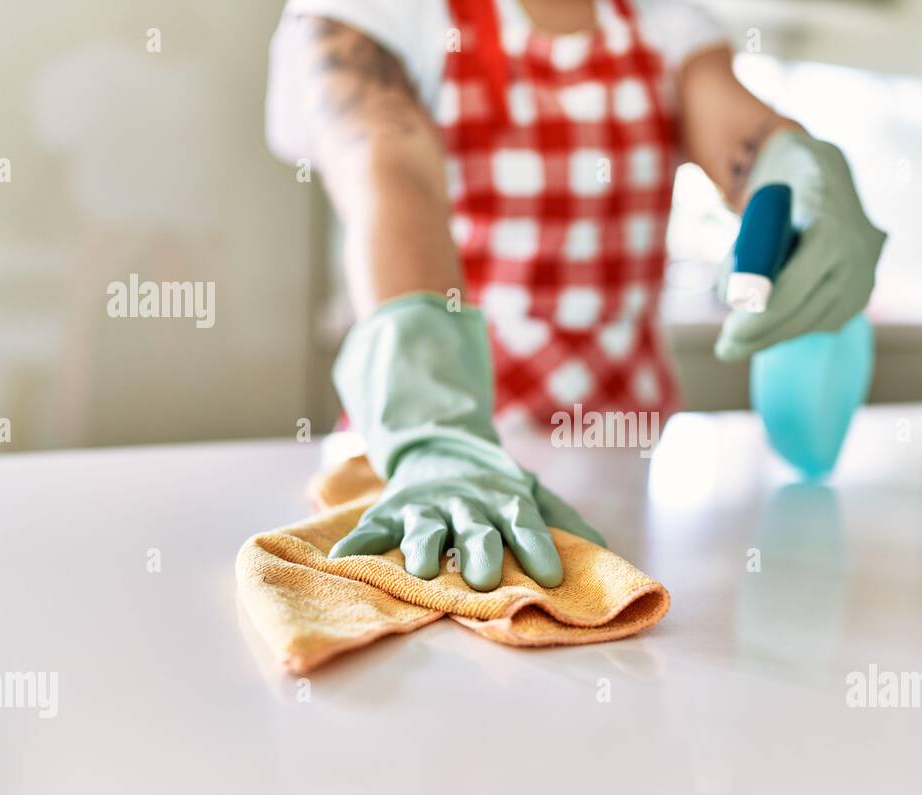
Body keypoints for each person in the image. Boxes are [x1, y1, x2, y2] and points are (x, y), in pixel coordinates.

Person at [265, 0, 885, 591]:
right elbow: (386, 160)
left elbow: (744, 134)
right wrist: (435, 434)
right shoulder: (376, 12)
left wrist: (797, 166)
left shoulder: (666, 25)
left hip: (623, 464)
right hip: (419, 456)